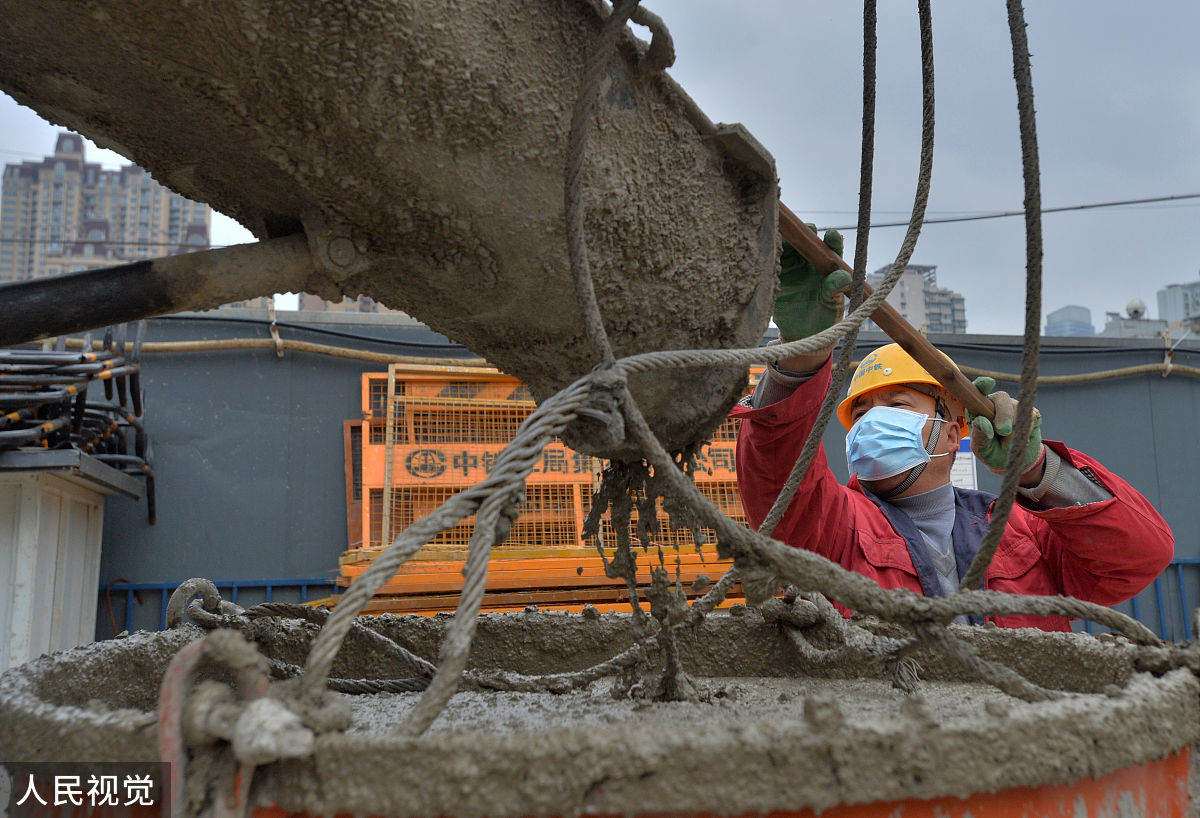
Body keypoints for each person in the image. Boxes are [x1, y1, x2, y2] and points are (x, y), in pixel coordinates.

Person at [731, 229, 1174, 630]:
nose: (873, 422)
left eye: (897, 404)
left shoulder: (1021, 533)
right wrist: (800, 359)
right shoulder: (836, 525)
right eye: (861, 413)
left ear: (951, 431)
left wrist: (1036, 470)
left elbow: (1138, 558)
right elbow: (777, 475)